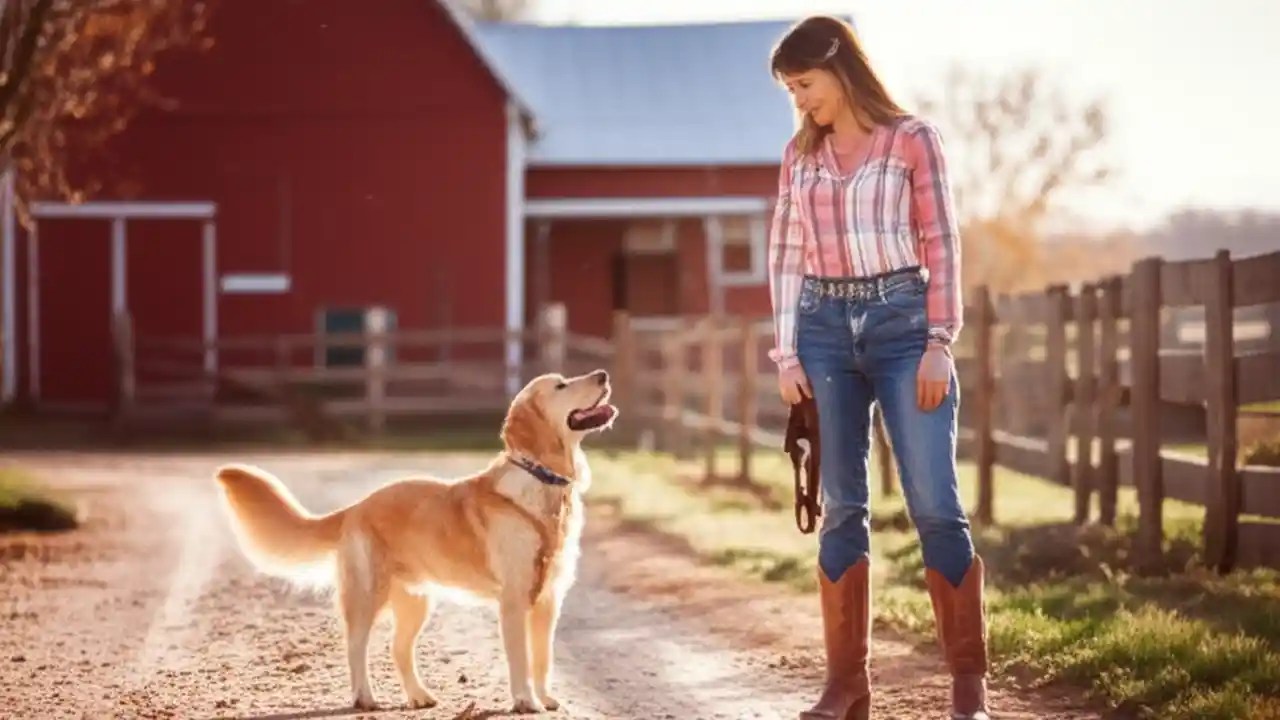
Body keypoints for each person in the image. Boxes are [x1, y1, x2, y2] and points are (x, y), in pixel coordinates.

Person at [766, 15, 990, 720]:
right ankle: (846, 686)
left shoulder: (912, 141)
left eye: (805, 84)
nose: (800, 100)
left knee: (934, 502)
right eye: (791, 91)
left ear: (839, 66)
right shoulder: (799, 157)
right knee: (840, 508)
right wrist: (787, 351)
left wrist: (938, 341)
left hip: (903, 325)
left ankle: (967, 686)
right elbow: (786, 255)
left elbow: (942, 241)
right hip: (824, 331)